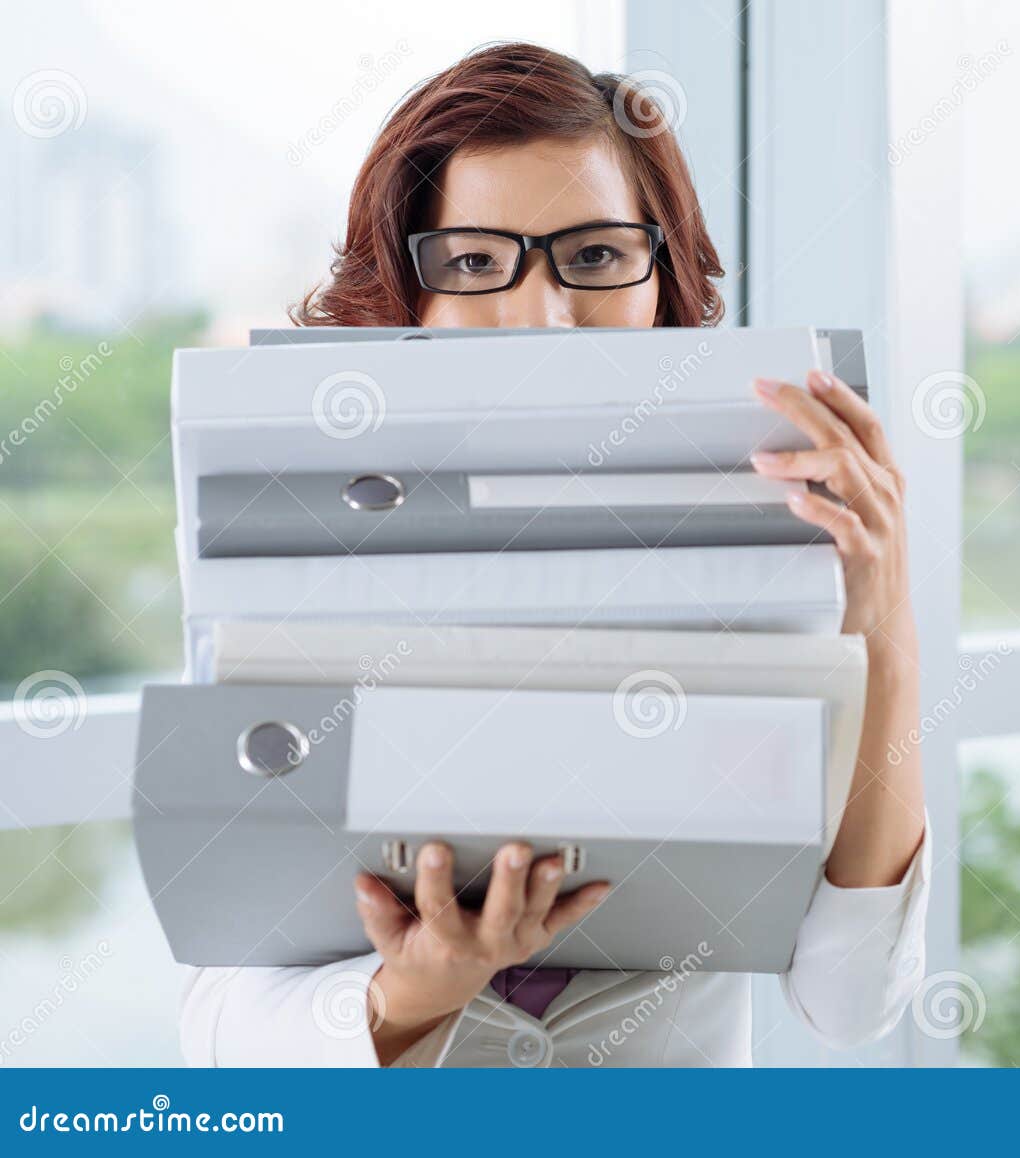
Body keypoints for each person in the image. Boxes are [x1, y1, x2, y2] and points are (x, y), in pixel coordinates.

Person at [179, 41, 929, 1067]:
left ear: (664, 281)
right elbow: (215, 1030)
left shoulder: (773, 531)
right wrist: (410, 993)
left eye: (594, 256)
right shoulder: (293, 539)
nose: (540, 316)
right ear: (411, 295)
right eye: (476, 262)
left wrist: (880, 617)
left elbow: (851, 999)